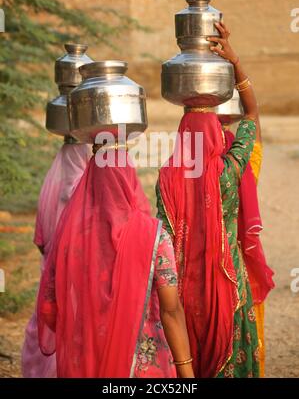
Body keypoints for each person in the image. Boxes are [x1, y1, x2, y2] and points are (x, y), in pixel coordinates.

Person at [156, 21, 267, 378]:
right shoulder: (229, 167)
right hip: (228, 288)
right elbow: (251, 114)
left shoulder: (167, 178)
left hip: (183, 296)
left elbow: (163, 246)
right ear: (218, 135)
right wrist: (234, 62)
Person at [37, 145, 194, 378]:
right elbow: (171, 310)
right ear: (129, 179)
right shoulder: (153, 236)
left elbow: (50, 307)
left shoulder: (72, 239)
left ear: (89, 182)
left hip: (85, 359)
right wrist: (186, 371)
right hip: (141, 364)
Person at [22, 142, 92, 378]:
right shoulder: (79, 191)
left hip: (49, 273)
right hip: (71, 270)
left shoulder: (52, 179)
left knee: (49, 315)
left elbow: (40, 238)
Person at [223, 120, 274, 377]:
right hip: (243, 269)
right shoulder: (243, 170)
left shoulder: (187, 173)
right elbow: (255, 146)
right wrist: (247, 99)